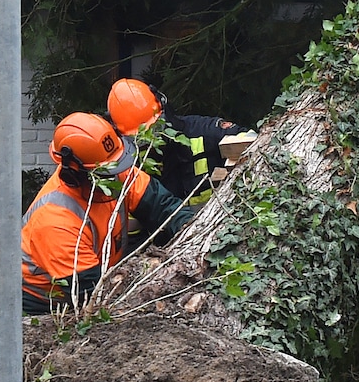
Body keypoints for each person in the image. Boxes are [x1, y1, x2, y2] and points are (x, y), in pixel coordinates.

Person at [21, 113, 192, 313]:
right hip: (45, 305)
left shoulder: (115, 169)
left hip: (100, 277)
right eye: (106, 174)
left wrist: (191, 228)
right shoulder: (55, 220)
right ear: (74, 175)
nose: (117, 177)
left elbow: (165, 207)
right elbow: (90, 292)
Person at [107, 77, 247, 206]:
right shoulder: (129, 171)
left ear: (164, 107)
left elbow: (250, 142)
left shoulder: (203, 132)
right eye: (142, 139)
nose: (153, 140)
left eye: (157, 128)